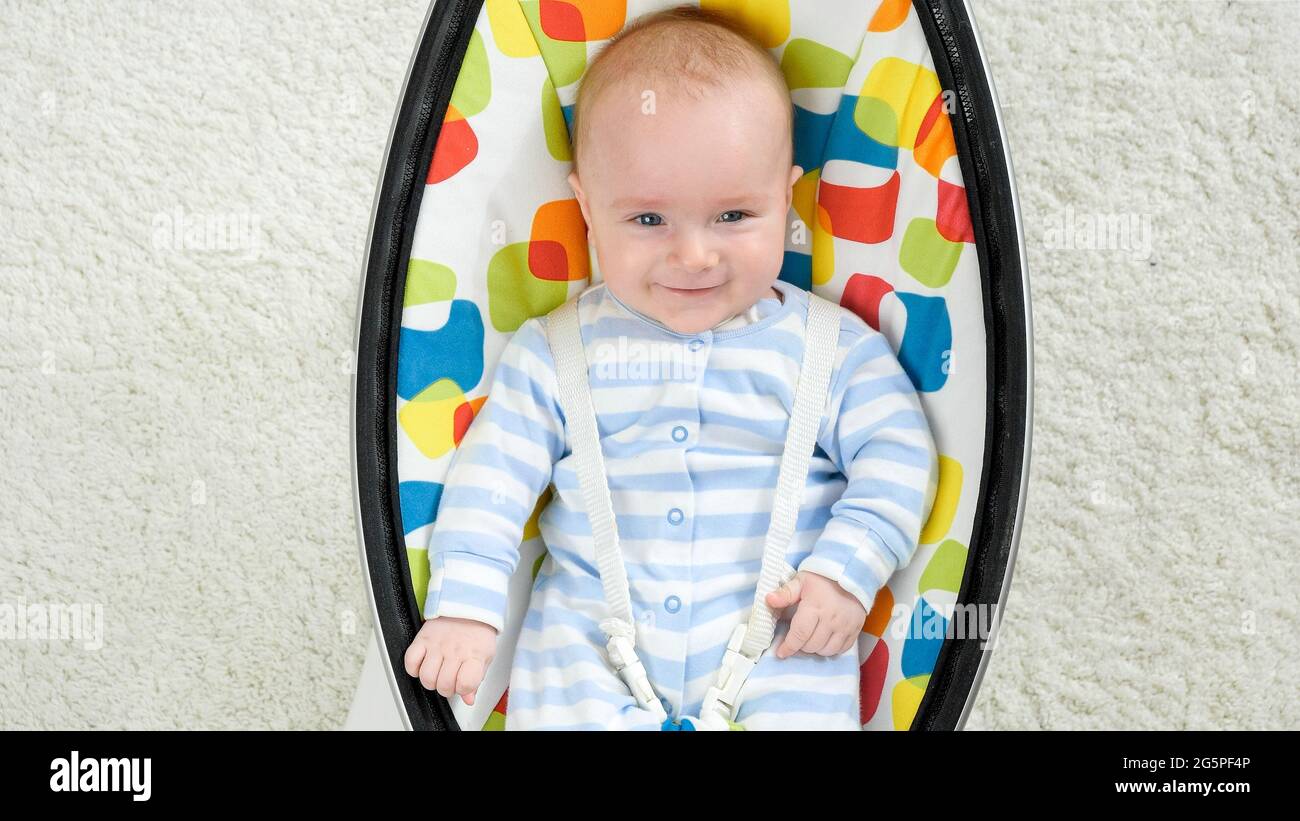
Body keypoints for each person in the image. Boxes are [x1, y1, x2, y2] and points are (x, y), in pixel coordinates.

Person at [404, 4, 939, 730]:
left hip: (784, 641)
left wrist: (847, 570)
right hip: (590, 650)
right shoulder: (555, 352)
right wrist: (466, 607)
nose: (694, 256)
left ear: (786, 197)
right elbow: (491, 479)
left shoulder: (834, 348)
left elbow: (900, 454)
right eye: (649, 220)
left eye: (733, 217)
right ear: (587, 209)